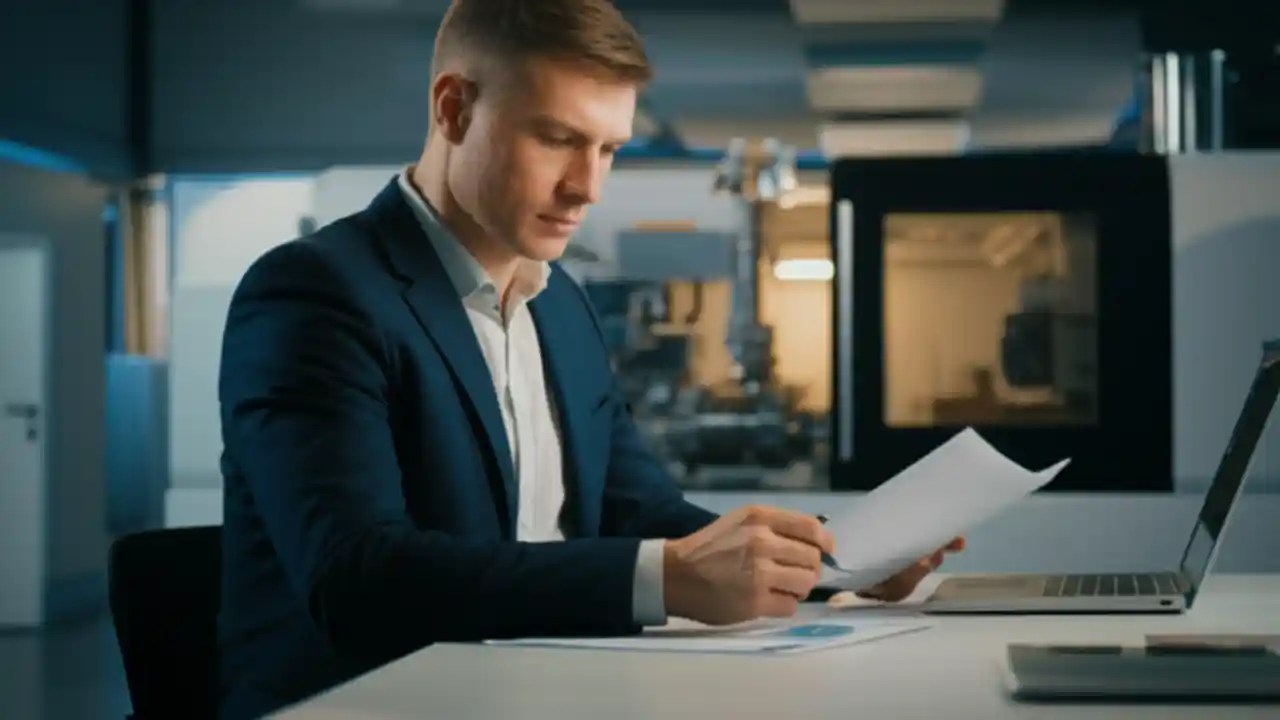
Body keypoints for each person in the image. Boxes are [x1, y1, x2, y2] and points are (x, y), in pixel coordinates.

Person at [215, 1, 963, 717]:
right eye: (556, 138)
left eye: (608, 148)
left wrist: (830, 564)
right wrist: (667, 577)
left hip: (536, 694)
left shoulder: (559, 305)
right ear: (453, 110)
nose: (587, 187)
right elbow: (358, 579)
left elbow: (637, 512)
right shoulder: (317, 293)